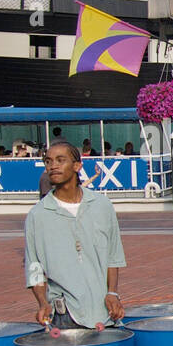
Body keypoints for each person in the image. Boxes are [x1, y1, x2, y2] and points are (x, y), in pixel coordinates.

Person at [24, 141, 126, 329]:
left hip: (105, 313)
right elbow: (35, 268)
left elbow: (113, 256)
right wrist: (42, 303)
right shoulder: (37, 215)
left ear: (77, 166)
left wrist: (112, 293)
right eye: (48, 161)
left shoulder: (102, 205)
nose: (52, 166)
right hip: (64, 316)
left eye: (60, 160)